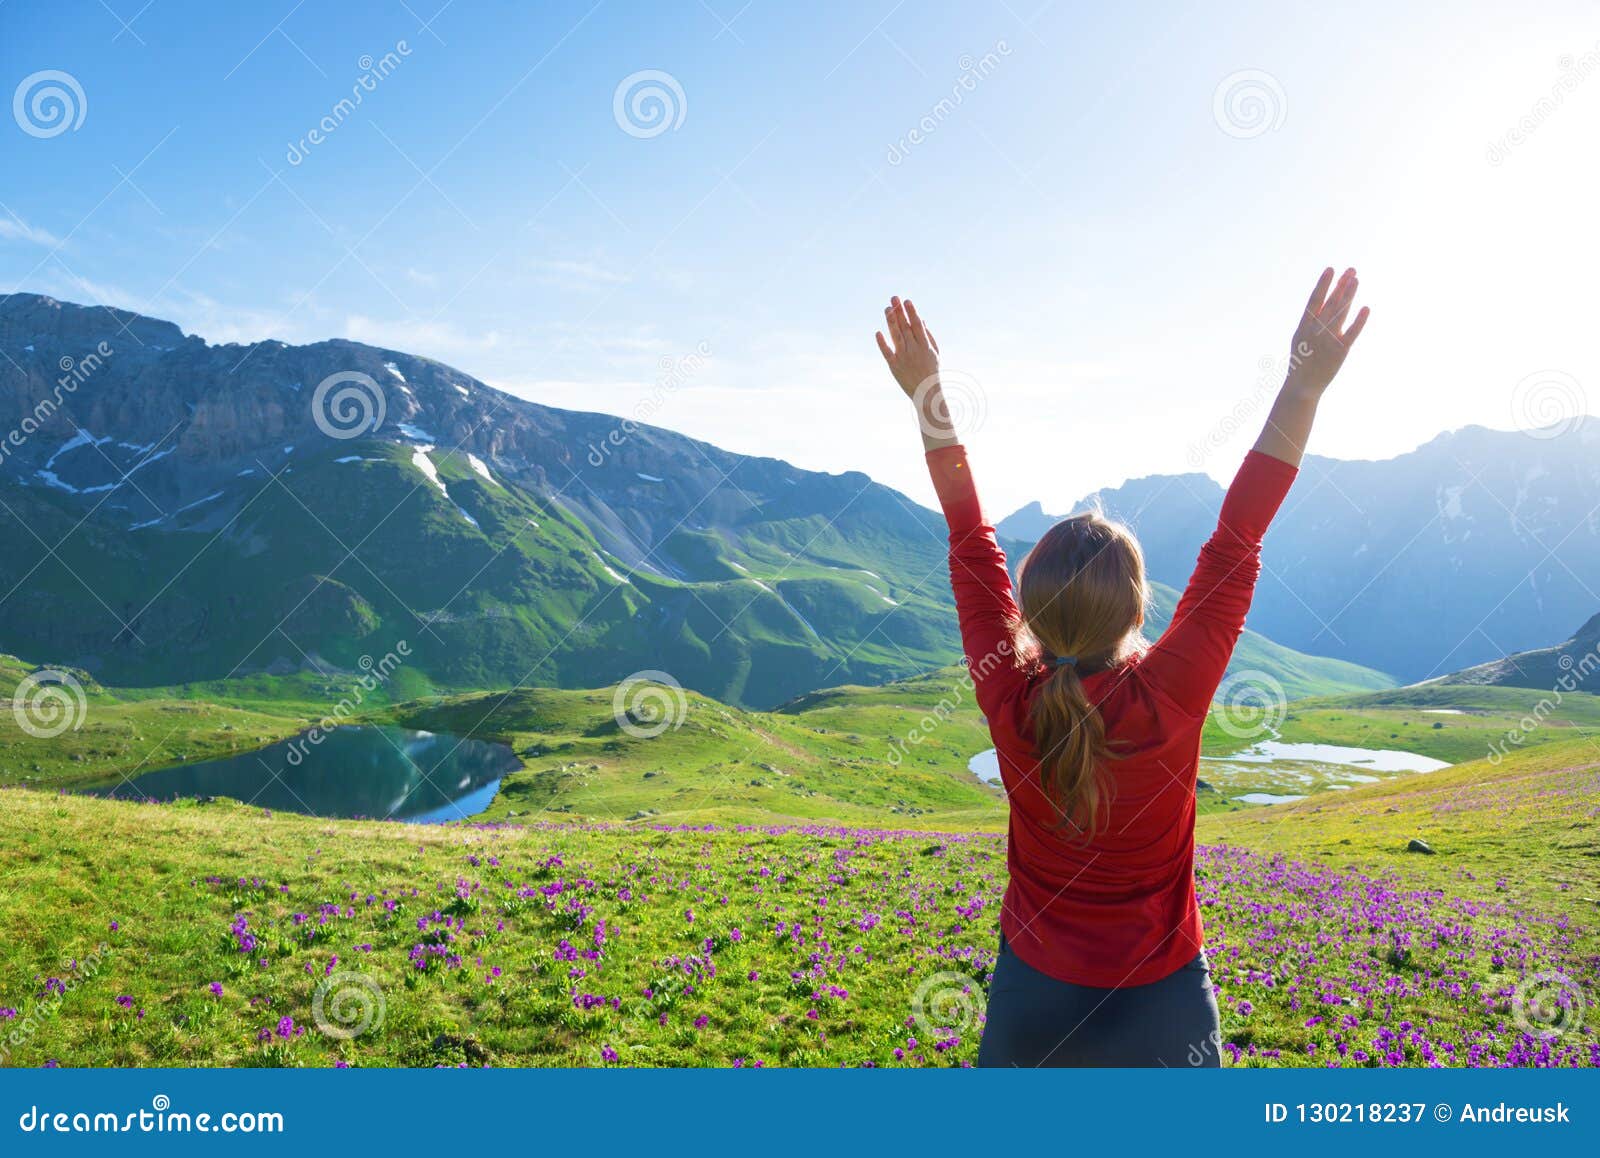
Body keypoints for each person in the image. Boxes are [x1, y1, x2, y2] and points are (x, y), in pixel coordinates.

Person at [874, 269, 1370, 1067]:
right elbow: (1238, 536)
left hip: (1031, 989)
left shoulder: (1010, 693)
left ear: (1029, 617)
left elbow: (971, 540)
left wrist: (927, 391)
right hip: (1163, 995)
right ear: (1140, 614)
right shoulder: (1172, 692)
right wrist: (1302, 386)